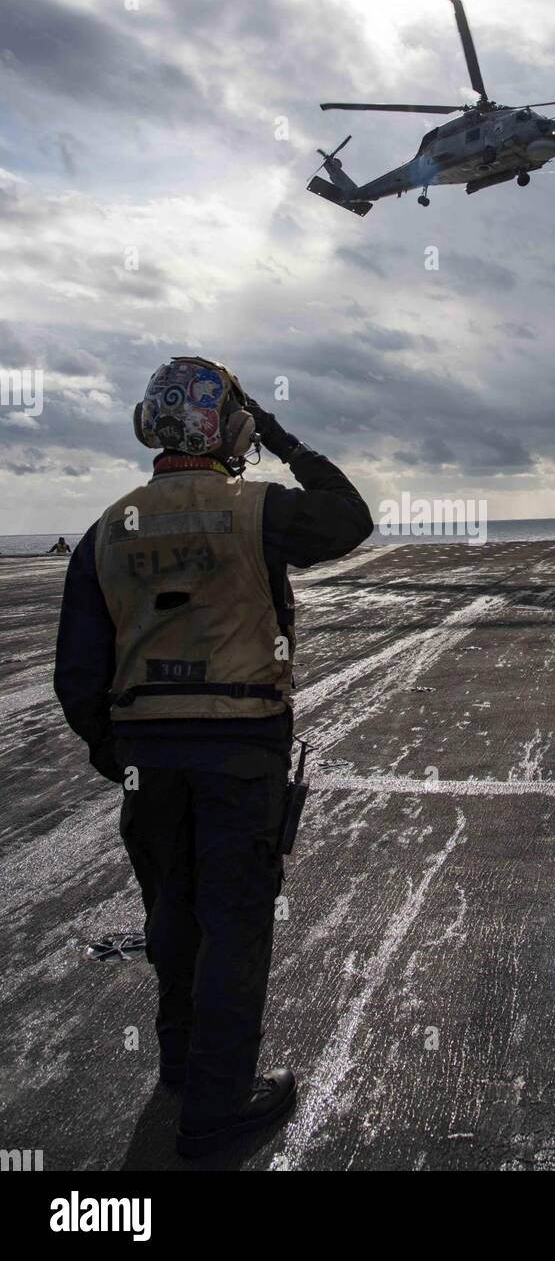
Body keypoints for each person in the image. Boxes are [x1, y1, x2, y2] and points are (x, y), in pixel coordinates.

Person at [54, 356, 373, 1156]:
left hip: (147, 761)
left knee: (172, 915)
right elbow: (349, 518)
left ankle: (180, 1065)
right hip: (238, 751)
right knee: (234, 928)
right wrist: (283, 437)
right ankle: (218, 1109)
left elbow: (77, 676)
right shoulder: (255, 510)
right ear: (231, 429)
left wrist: (119, 754)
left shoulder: (107, 529)